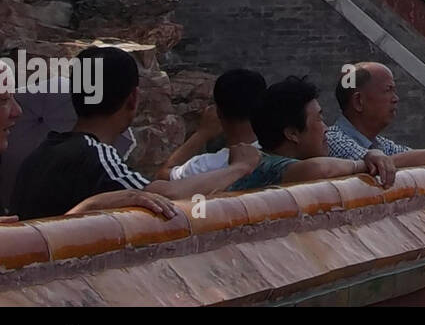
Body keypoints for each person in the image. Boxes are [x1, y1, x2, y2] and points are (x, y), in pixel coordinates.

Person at [10, 47, 258, 221]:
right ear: (133, 98)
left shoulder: (40, 154)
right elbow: (165, 196)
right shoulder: (95, 156)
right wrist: (239, 167)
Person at [229, 76, 401, 190]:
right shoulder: (264, 166)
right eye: (319, 119)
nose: (326, 128)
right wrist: (364, 163)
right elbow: (318, 169)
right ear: (292, 133)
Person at [167, 68, 266, 179]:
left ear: (218, 112)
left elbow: (163, 175)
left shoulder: (206, 165)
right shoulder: (278, 149)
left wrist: (202, 134)